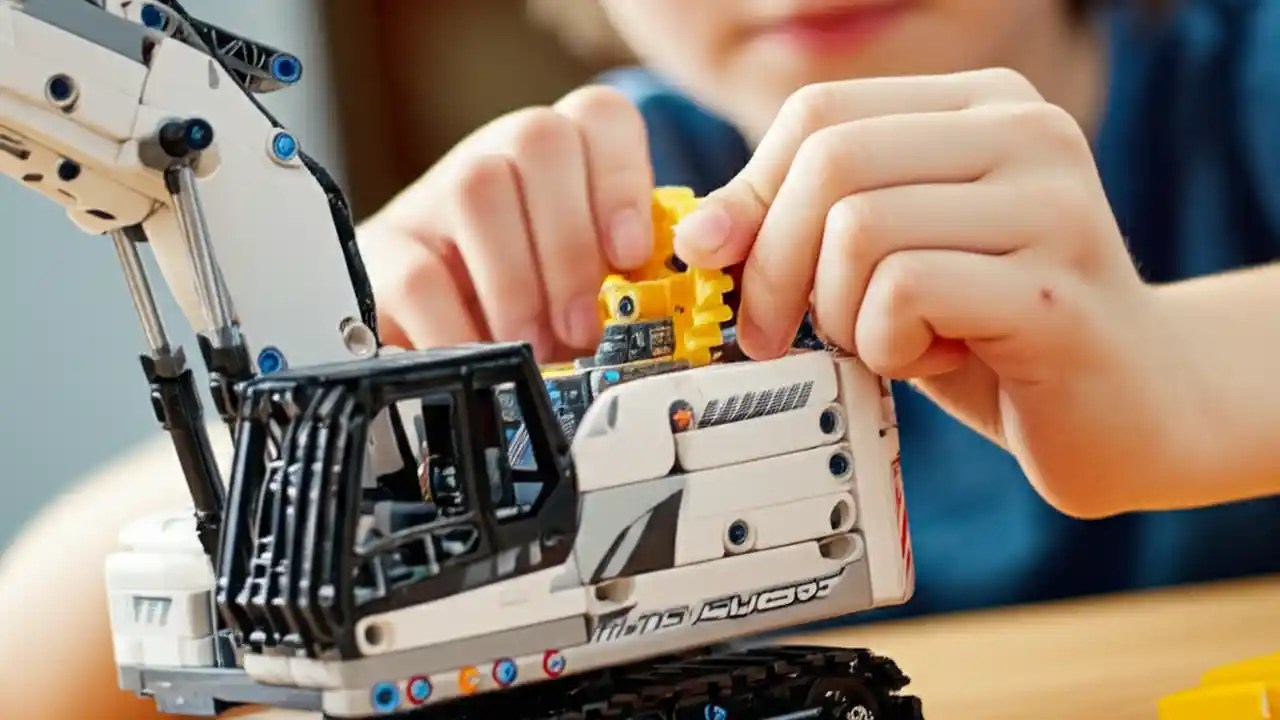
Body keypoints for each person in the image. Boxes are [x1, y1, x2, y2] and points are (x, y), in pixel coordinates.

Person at [2, 1, 1278, 718]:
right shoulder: (585, 229)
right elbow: (37, 660)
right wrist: (349, 395)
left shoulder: (1250, 94)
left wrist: (1187, 372)